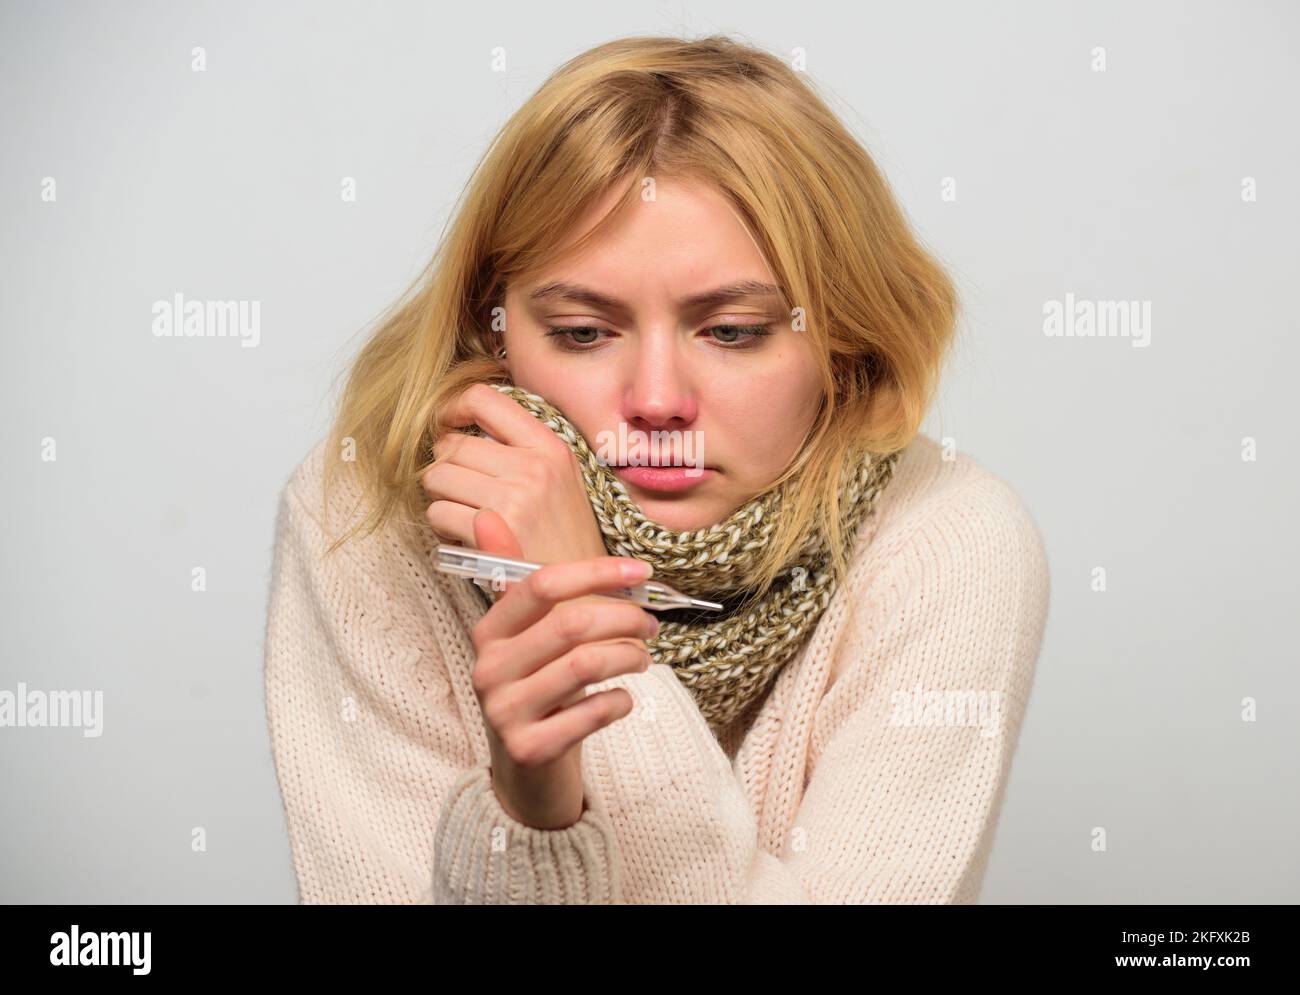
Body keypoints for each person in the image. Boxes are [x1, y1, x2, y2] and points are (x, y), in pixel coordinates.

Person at [263, 34, 1050, 904]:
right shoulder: (363, 521)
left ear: (843, 340)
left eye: (733, 331)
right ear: (495, 332)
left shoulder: (949, 540)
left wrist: (580, 608)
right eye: (583, 333)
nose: (658, 400)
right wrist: (531, 819)